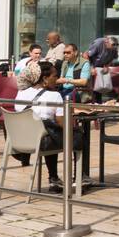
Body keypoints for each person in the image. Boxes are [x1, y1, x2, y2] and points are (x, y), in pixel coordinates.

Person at [15, 61, 85, 193]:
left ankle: (54, 178)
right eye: (55, 76)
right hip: (40, 142)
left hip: (20, 141)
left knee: (49, 132)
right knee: (78, 136)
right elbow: (63, 124)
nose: (57, 79)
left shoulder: (21, 93)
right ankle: (80, 179)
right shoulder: (55, 95)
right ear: (45, 79)